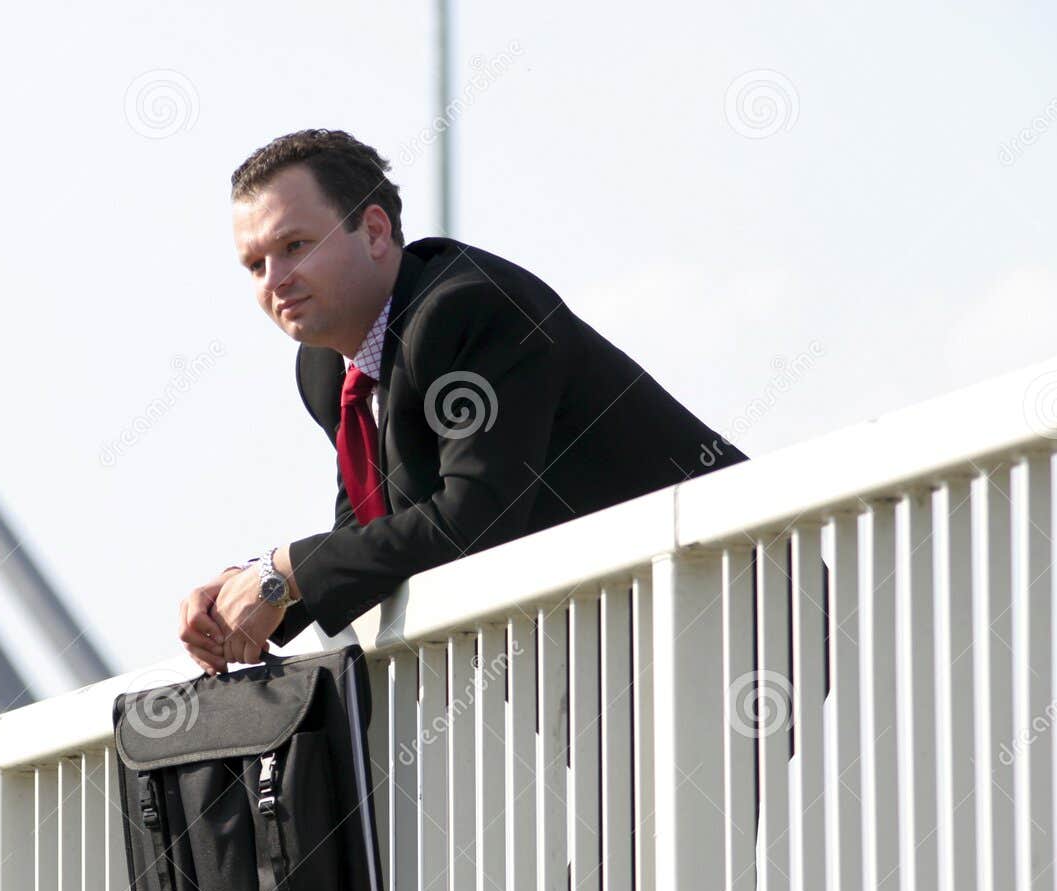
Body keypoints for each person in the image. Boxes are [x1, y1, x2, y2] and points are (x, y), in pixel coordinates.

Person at [180, 128, 747, 675]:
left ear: (375, 232)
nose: (274, 280)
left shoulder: (469, 309)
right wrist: (246, 590)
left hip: (734, 603)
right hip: (612, 637)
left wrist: (283, 575)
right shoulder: (325, 369)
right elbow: (369, 534)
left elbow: (475, 520)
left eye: (294, 246)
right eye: (255, 265)